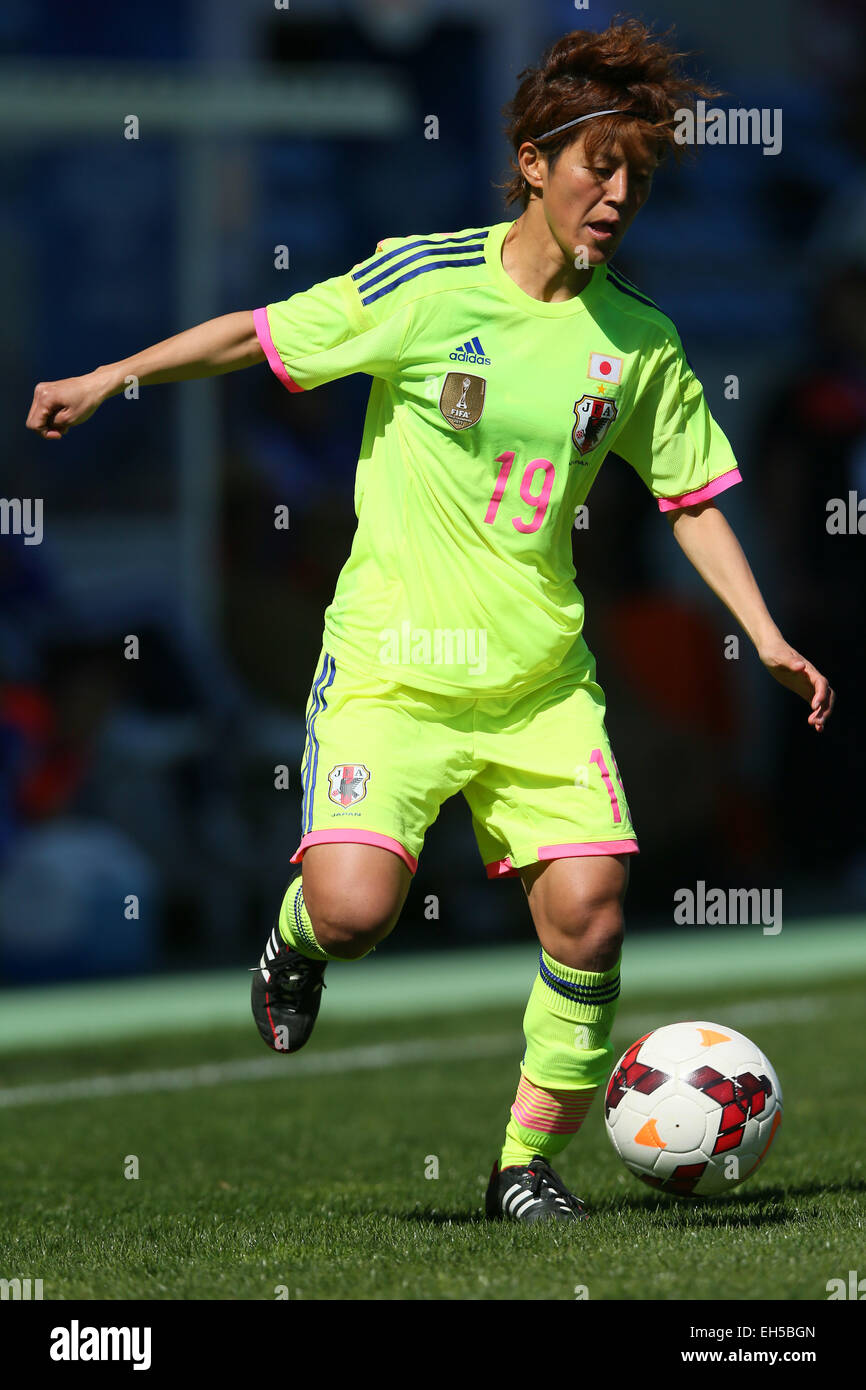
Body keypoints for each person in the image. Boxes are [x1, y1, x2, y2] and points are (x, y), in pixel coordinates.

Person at [26, 19, 834, 1223]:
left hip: (538, 684)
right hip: (393, 673)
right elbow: (255, 336)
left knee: (590, 911)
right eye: (593, 166)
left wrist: (759, 628)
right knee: (356, 912)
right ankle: (296, 936)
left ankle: (522, 1165)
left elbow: (693, 499)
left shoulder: (641, 342)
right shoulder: (422, 281)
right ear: (531, 162)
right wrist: (109, 377)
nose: (613, 195)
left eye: (635, 176)